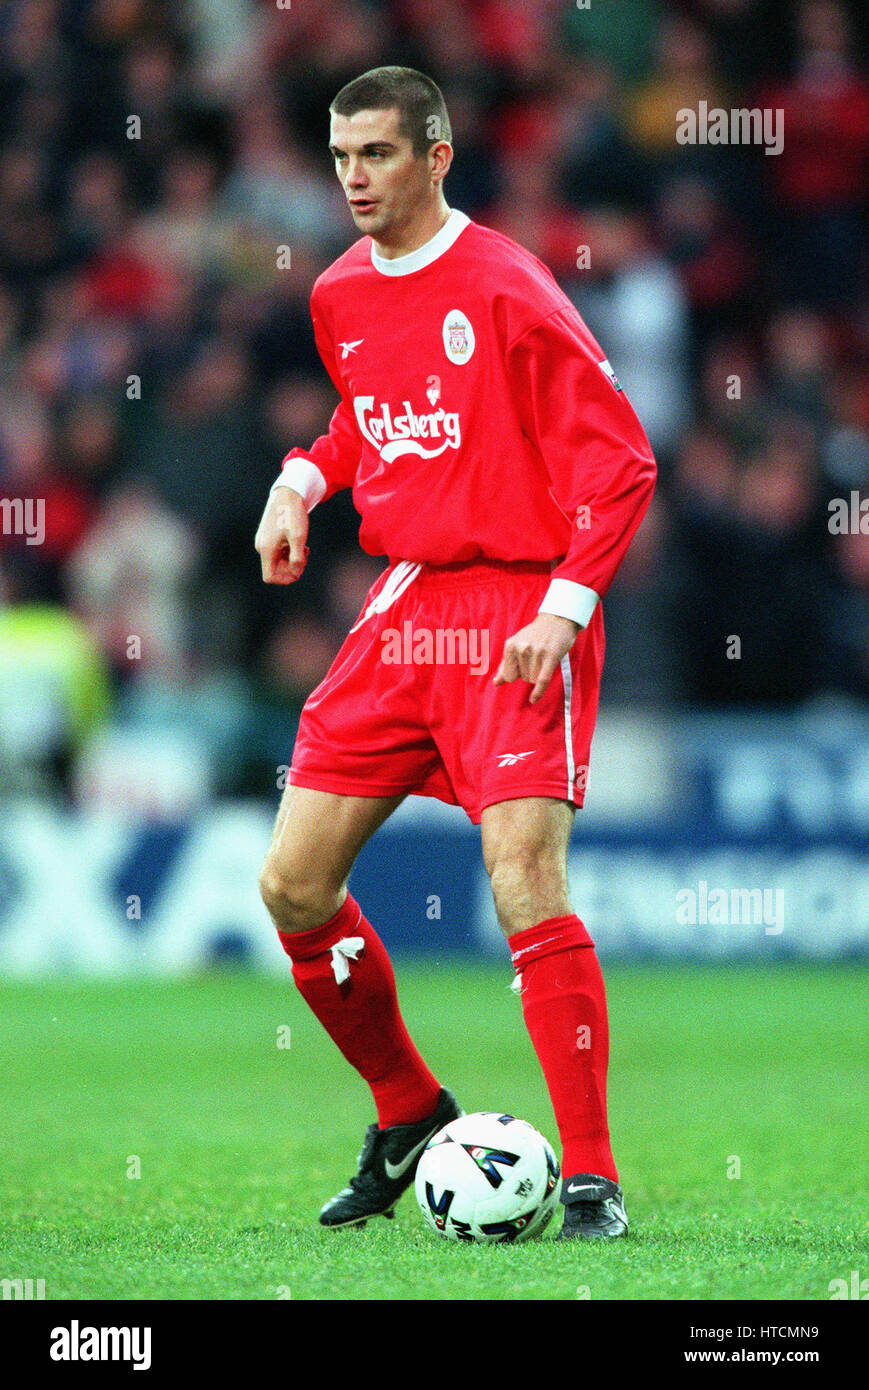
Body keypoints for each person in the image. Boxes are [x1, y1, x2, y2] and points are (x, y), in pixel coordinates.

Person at [254, 66, 656, 1240]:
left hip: (521, 606)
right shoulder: (335, 292)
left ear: (436, 154)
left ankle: (588, 1175)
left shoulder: (507, 287)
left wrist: (565, 608)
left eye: (376, 154)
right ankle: (406, 1110)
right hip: (409, 603)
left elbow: (618, 461)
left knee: (523, 878)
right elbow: (364, 417)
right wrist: (299, 482)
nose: (354, 180)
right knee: (291, 882)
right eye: (339, 159)